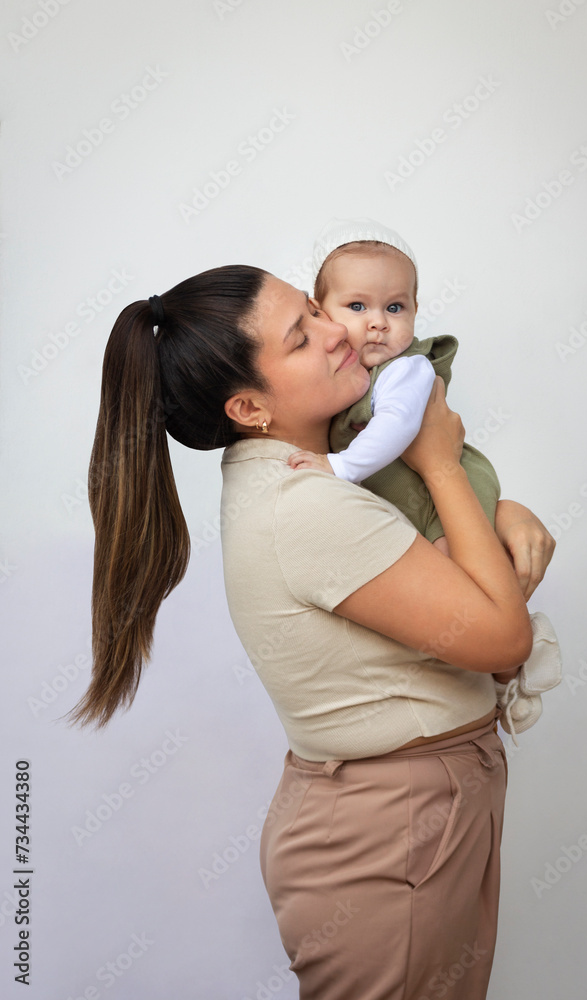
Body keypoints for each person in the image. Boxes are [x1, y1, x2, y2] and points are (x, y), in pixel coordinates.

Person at [66, 264, 555, 998]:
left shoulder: (317, 476)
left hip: (408, 820)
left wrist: (498, 510)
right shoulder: (304, 505)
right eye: (301, 337)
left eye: (314, 309)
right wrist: (443, 465)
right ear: (250, 406)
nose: (341, 330)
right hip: (390, 836)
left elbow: (442, 574)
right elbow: (500, 637)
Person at [287, 218, 501, 561]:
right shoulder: (342, 375)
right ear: (321, 312)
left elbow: (397, 422)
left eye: (395, 307)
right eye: (357, 306)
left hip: (446, 496)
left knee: (454, 566)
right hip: (406, 498)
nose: (378, 322)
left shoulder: (404, 368)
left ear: (415, 309)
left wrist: (340, 466)